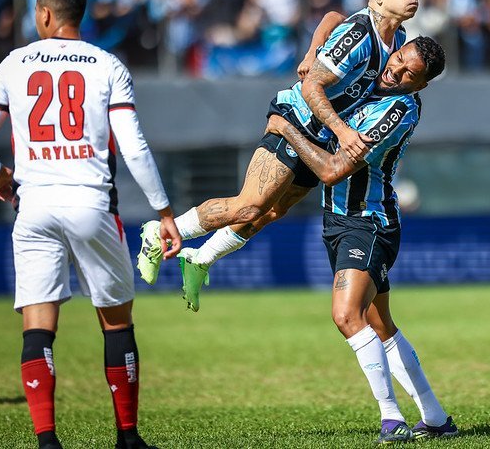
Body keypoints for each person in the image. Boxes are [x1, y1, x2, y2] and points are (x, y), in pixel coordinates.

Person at [182, 36, 457, 444]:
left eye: (407, 74)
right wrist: (313, 54)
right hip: (341, 220)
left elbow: (331, 170)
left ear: (420, 86)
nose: (395, 70)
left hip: (368, 223)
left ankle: (391, 419)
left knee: (347, 316)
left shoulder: (397, 110)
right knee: (381, 325)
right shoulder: (373, 67)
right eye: (398, 60)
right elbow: (334, 23)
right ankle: (435, 418)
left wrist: (287, 130)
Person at [137, 0, 420, 308]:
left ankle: (200, 258)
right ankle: (161, 231)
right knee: (249, 206)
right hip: (298, 119)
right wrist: (342, 130)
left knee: (273, 212)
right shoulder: (361, 35)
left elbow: (332, 17)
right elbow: (311, 85)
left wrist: (313, 49)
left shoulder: (398, 39)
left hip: (320, 136)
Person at [0, 0, 181, 449]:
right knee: (115, 322)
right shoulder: (107, 64)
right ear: (80, 14)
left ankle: (47, 441)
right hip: (91, 203)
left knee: (38, 327)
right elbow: (133, 146)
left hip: (33, 205)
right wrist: (165, 210)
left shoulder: (14, 63)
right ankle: (128, 438)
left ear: (45, 14)